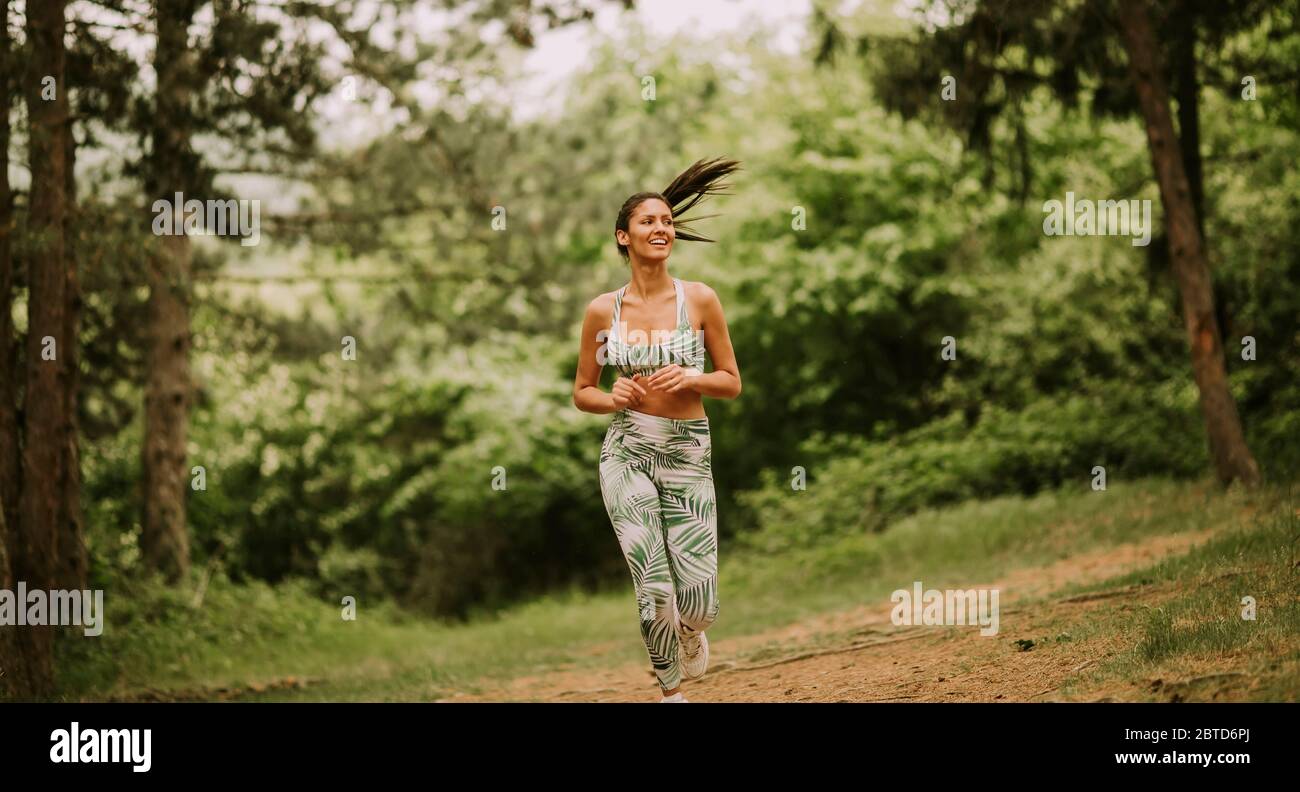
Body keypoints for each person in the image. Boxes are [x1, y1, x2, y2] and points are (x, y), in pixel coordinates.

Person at [572, 157, 743, 703]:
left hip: (688, 451)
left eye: (667, 220)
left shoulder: (700, 300)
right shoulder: (603, 311)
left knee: (698, 603)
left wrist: (694, 375)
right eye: (649, 221)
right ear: (623, 237)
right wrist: (610, 397)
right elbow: (583, 390)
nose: (662, 228)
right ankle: (671, 693)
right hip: (628, 451)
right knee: (654, 587)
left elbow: (732, 381)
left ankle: (691, 635)